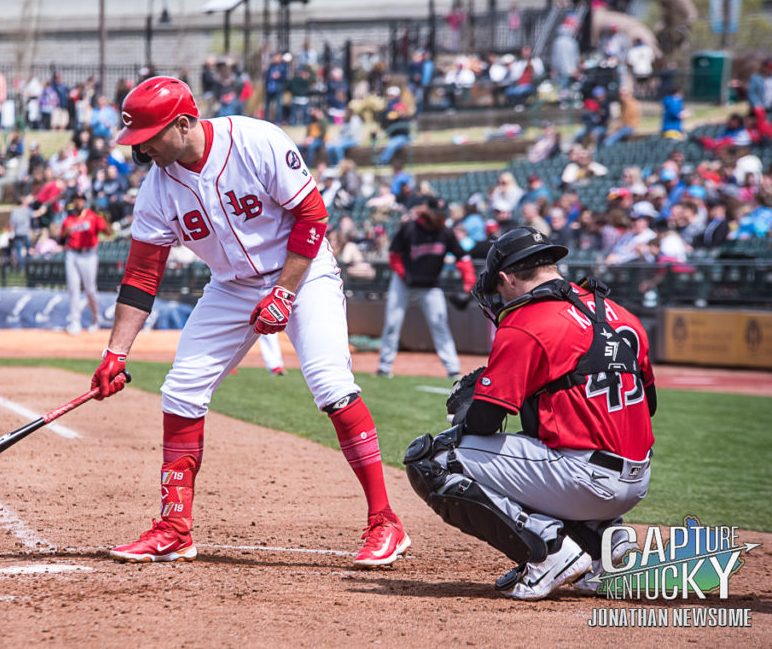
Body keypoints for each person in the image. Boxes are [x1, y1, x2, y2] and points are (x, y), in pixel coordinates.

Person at [93, 76, 410, 567]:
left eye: (149, 137)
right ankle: (175, 528)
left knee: (330, 382)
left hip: (302, 271)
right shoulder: (157, 189)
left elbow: (312, 215)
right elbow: (140, 275)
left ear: (182, 124)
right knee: (181, 390)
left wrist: (284, 292)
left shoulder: (254, 140)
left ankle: (386, 522)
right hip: (232, 284)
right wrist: (116, 352)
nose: (142, 150)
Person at [403, 227, 656, 600]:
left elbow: (484, 423)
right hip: (636, 479)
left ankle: (548, 552)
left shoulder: (527, 320)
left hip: (585, 479)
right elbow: (648, 405)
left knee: (433, 459)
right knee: (539, 441)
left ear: (506, 277)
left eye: (498, 286)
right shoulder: (620, 314)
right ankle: (608, 548)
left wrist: (472, 404)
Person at [376, 196, 474, 380]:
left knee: (440, 323)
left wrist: (468, 282)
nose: (440, 217)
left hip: (430, 284)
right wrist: (405, 275)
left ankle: (453, 368)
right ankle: (384, 366)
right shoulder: (410, 229)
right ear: (427, 211)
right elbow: (393, 255)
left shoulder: (445, 232)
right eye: (436, 212)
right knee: (392, 323)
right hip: (403, 282)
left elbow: (463, 258)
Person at [60, 193, 112, 335]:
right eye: (76, 199)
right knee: (73, 288)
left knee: (90, 290)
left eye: (81, 199)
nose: (79, 202)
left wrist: (104, 219)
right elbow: (61, 238)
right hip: (72, 253)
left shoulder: (92, 216)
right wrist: (66, 232)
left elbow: (108, 233)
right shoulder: (69, 219)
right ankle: (74, 322)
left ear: (85, 201)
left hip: (89, 254)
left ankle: (96, 319)